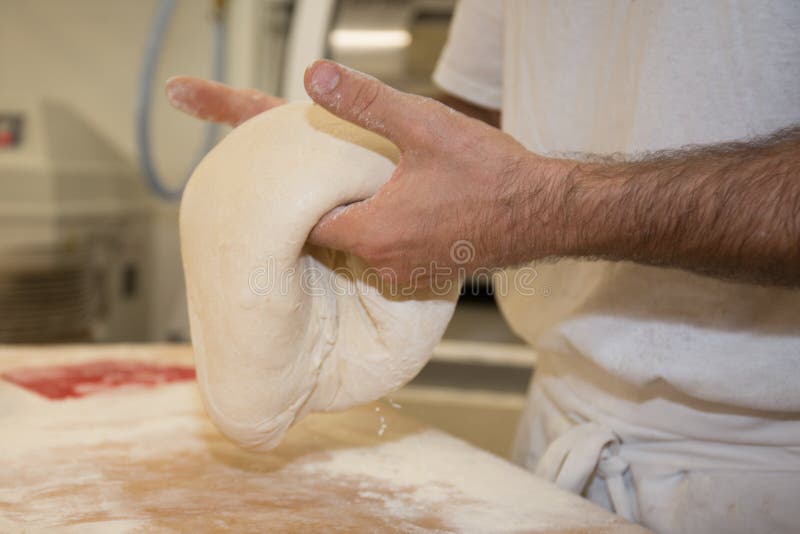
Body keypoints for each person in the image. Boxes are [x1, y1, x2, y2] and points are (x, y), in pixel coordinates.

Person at [166, 1, 800, 532]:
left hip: (765, 474)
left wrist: (547, 209)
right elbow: (472, 120)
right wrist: (322, 150)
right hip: (561, 427)